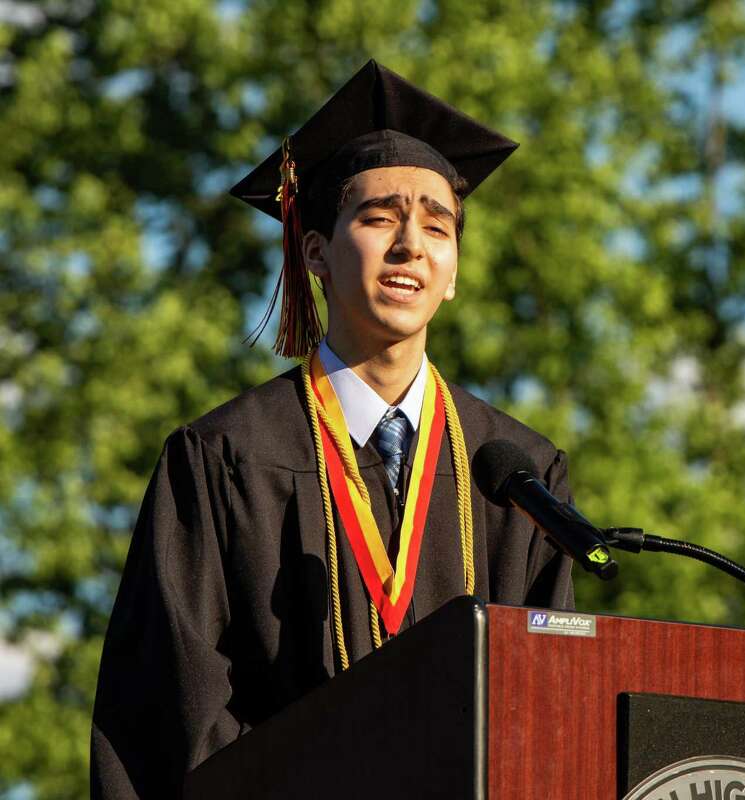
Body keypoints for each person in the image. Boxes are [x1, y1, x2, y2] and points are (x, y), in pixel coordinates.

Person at [90, 60, 575, 799]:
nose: (411, 245)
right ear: (314, 250)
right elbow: (169, 712)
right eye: (379, 218)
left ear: (453, 273)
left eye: (437, 226)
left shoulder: (518, 475)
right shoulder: (225, 458)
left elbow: (548, 716)